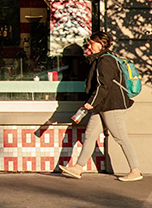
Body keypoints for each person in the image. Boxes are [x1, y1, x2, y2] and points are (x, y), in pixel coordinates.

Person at [59, 31, 143, 182]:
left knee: (121, 137)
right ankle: (78, 168)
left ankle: (135, 170)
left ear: (101, 44)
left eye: (91, 43)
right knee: (90, 135)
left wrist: (91, 102)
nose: (89, 46)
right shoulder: (100, 60)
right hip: (102, 105)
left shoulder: (105, 61)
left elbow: (103, 86)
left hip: (112, 105)